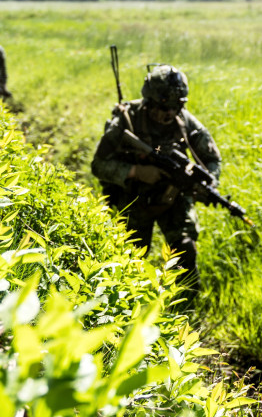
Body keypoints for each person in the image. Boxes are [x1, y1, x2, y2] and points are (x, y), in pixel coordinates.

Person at [90, 65, 222, 289]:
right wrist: (137, 172)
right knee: (130, 256)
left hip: (172, 196)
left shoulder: (185, 122)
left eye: (176, 106)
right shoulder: (126, 120)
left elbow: (212, 159)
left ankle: (186, 305)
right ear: (149, 100)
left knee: (185, 248)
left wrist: (208, 182)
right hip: (133, 198)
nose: (169, 113)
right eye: (163, 106)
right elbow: (99, 165)